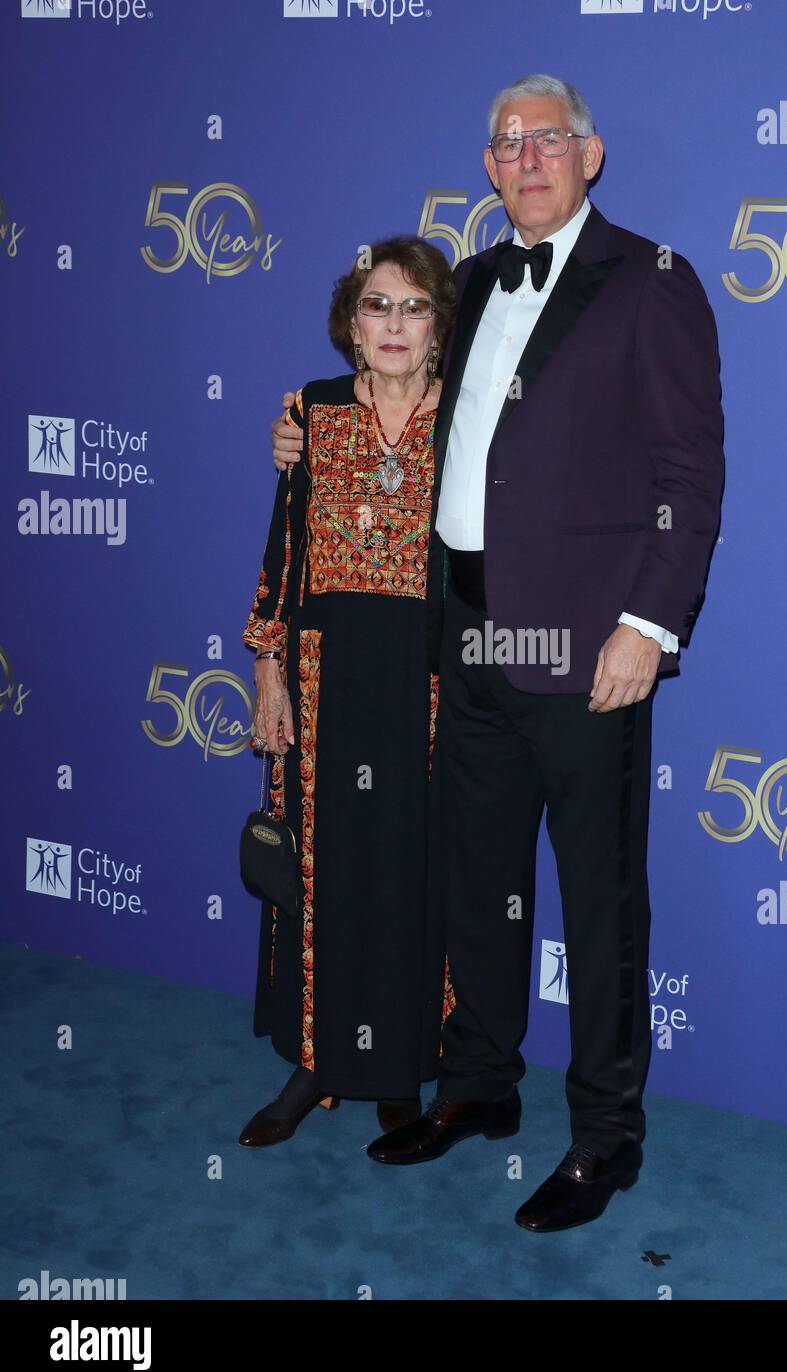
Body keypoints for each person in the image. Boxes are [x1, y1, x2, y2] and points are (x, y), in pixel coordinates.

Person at [270, 73, 725, 1231]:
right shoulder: (465, 282)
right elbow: (405, 393)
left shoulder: (652, 282)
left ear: (591, 154)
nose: (526, 157)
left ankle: (605, 1139)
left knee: (601, 902)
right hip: (462, 633)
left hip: (587, 651)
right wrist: (304, 429)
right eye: (506, 142)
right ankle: (478, 1085)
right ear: (486, 165)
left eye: (547, 139)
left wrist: (648, 624)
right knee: (481, 884)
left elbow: (689, 473)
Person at [239, 236, 457, 1147]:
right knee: (324, 873)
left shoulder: (474, 419)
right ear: (351, 325)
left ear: (442, 325)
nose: (394, 323)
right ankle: (317, 1062)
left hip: (435, 679)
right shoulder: (313, 412)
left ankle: (401, 1063)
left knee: (417, 869)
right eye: (377, 305)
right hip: (327, 677)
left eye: (413, 306)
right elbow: (282, 556)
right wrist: (266, 668)